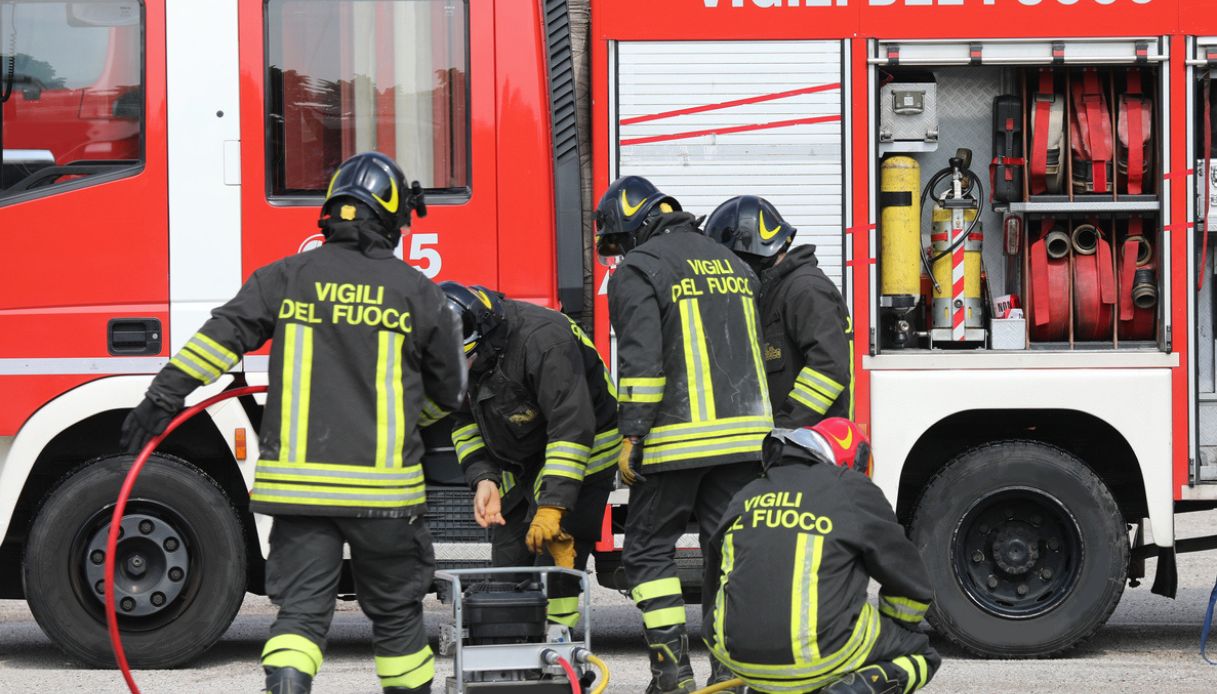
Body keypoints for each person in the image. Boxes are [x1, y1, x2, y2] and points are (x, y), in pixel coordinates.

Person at [120, 152, 466, 694]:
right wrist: (406, 412)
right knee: (397, 619)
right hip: (385, 498)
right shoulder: (418, 293)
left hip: (300, 493)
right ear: (392, 220)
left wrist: (161, 399)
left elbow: (221, 336)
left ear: (329, 214)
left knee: (301, 617)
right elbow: (451, 393)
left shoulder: (286, 276)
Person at [595, 175, 771, 694]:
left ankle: (672, 673)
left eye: (616, 244)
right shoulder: (735, 265)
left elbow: (642, 364)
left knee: (648, 551)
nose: (616, 255)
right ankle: (730, 673)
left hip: (678, 442)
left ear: (632, 229)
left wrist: (632, 435)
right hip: (745, 441)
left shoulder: (640, 270)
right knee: (727, 552)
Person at [703, 418, 941, 694]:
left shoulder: (749, 493)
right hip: (821, 654)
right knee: (921, 655)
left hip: (734, 657)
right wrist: (899, 627)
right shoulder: (850, 488)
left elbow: (714, 576)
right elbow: (906, 574)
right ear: (853, 460)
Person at [440, 281, 621, 631]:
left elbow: (571, 428)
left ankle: (558, 649)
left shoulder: (543, 340)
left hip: (580, 452)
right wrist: (484, 479)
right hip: (522, 460)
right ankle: (512, 654)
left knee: (555, 555)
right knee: (508, 567)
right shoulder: (460, 350)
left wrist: (554, 507)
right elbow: (463, 422)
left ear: (483, 334)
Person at [704, 196, 853, 426]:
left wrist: (786, 427)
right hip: (787, 445)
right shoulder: (772, 291)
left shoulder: (805, 290)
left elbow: (829, 369)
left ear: (748, 253)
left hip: (807, 445)